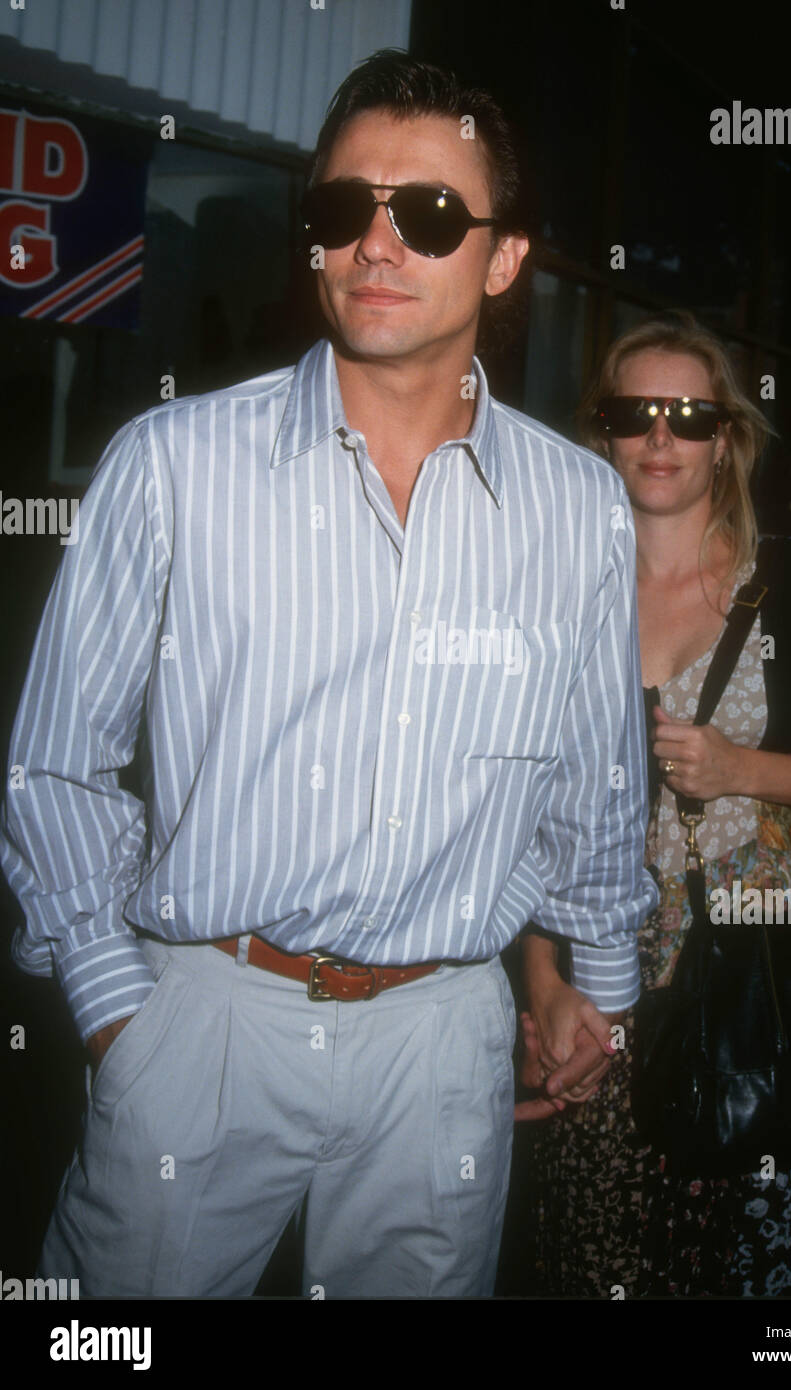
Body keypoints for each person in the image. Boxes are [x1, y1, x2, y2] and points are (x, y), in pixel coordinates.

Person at [0, 50, 657, 1298]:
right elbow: (53, 759)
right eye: (341, 210)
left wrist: (599, 989)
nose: (377, 244)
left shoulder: (579, 506)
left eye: (428, 215)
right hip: (206, 1014)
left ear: (503, 257)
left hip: (442, 1033)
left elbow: (595, 772)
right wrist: (117, 1013)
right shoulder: (174, 464)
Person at [517, 314, 791, 1297]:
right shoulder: (559, 595)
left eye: (688, 416)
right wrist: (542, 982)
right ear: (599, 432)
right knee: (598, 1265)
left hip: (752, 993)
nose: (659, 438)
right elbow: (521, 816)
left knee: (751, 1269)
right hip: (600, 996)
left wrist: (741, 767)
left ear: (725, 437)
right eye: (632, 413)